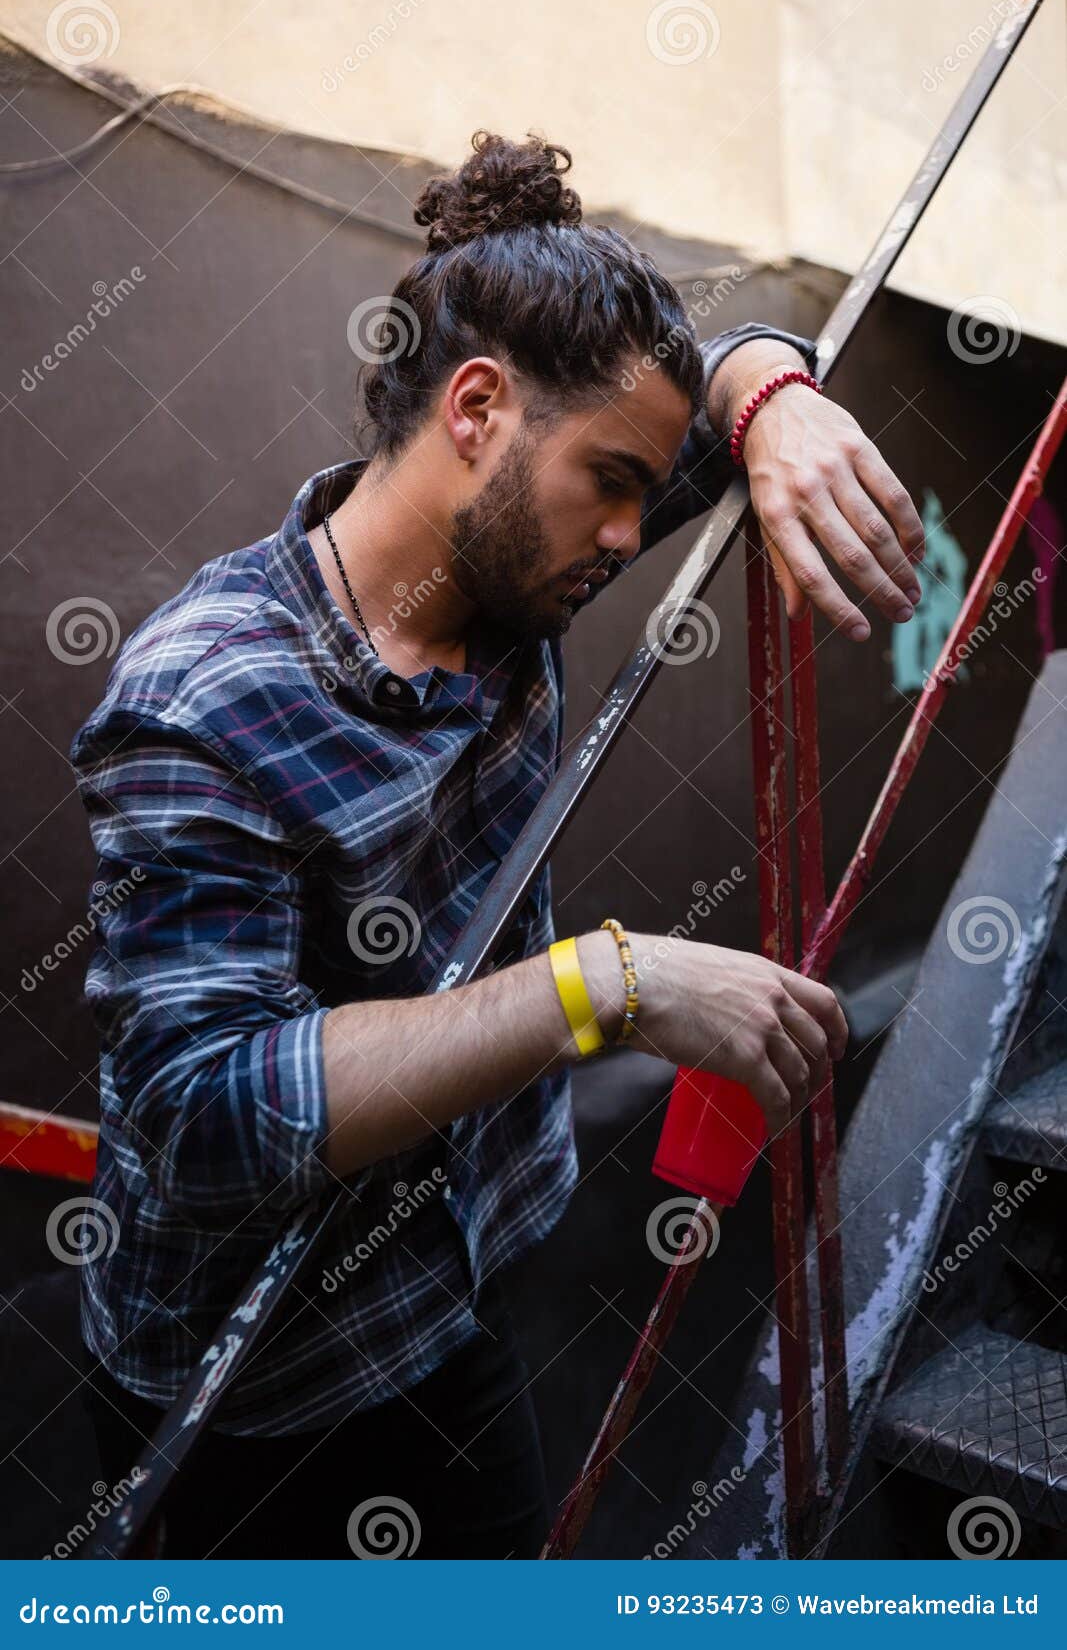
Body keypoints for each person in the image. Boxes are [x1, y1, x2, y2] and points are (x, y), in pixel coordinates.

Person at [71, 130, 923, 1558]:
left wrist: (776, 395)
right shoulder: (204, 697)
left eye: (641, 488)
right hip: (249, 1400)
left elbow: (717, 383)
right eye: (608, 480)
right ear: (476, 408)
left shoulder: (522, 550)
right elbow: (205, 1109)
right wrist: (609, 987)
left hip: (457, 1290)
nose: (627, 527)